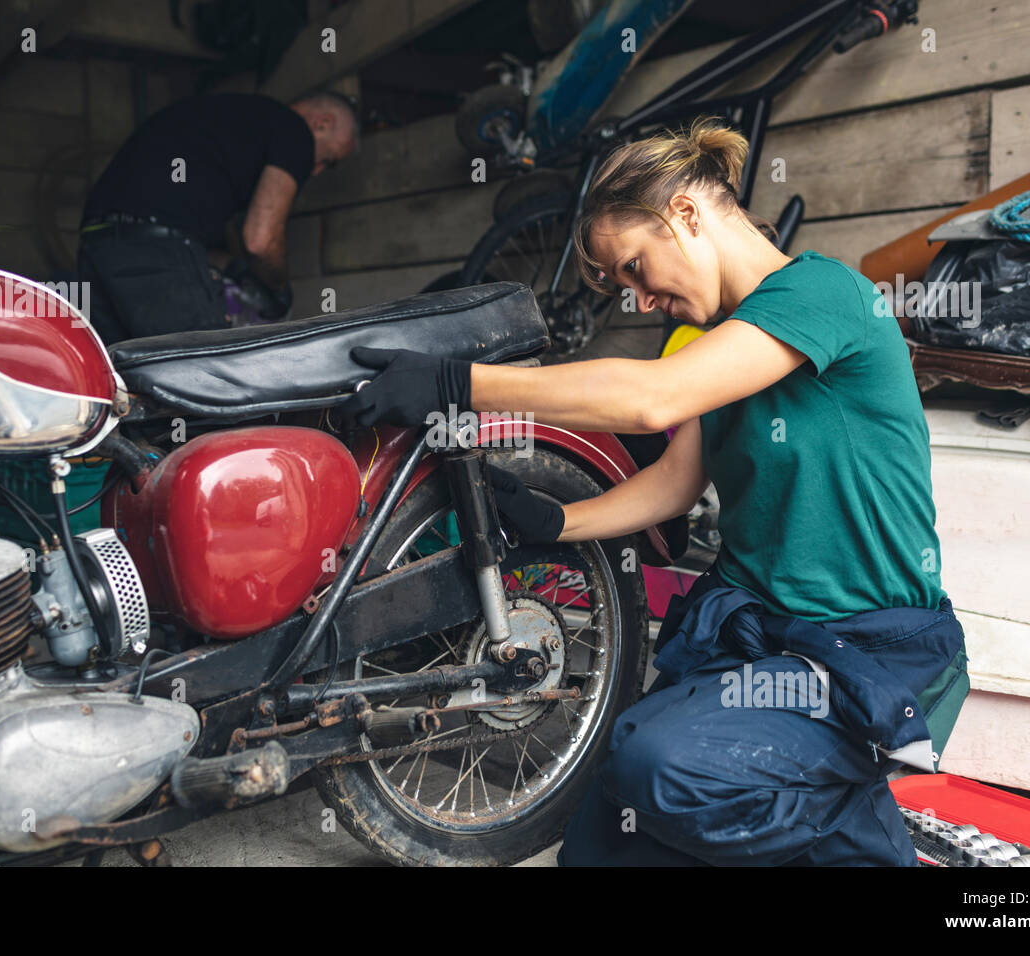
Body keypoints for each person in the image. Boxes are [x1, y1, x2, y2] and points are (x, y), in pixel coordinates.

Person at [334, 118, 970, 866]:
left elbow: (652, 401)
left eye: (634, 266)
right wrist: (554, 520)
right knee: (604, 845)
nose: (638, 298)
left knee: (664, 768)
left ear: (688, 216)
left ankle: (862, 838)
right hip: (757, 641)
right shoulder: (733, 343)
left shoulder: (824, 291)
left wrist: (455, 383)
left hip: (857, 655)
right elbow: (674, 483)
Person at [78, 91, 359, 344]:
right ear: (322, 123)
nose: (316, 170)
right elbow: (261, 241)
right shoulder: (294, 131)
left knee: (113, 382)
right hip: (156, 254)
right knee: (204, 377)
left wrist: (234, 268)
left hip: (97, 244)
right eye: (328, 160)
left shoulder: (229, 121)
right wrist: (277, 287)